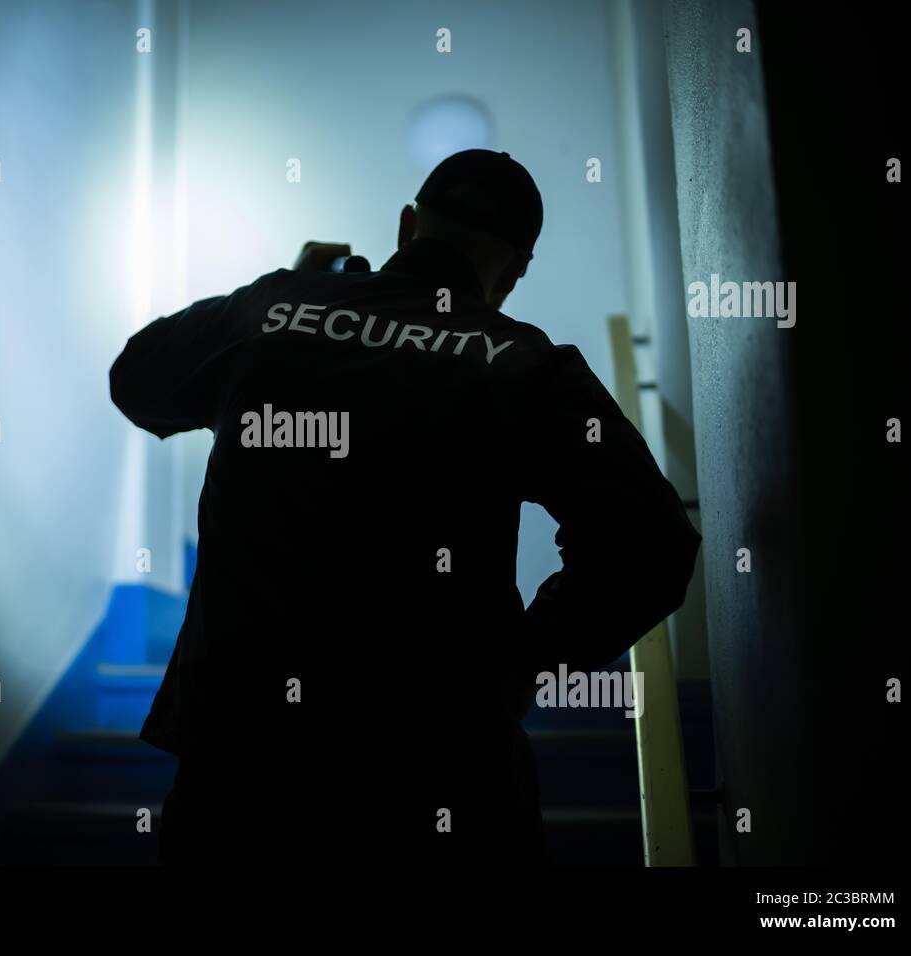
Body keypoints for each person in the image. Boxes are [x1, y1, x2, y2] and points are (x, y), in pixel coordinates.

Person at [109, 149, 702, 866]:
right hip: (443, 772)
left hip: (244, 766)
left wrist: (297, 290)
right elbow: (655, 543)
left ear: (406, 227)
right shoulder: (521, 361)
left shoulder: (272, 309)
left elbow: (136, 378)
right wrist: (524, 667)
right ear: (514, 273)